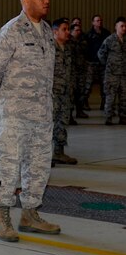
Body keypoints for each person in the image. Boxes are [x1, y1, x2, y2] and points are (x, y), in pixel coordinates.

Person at [0, 0, 60, 242]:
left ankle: (30, 214)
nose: (47, 0)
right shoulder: (12, 30)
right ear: (25, 1)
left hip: (41, 113)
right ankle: (1, 217)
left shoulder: (47, 31)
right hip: (15, 112)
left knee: (38, 164)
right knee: (10, 164)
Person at [51, 18, 77, 164]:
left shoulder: (67, 48)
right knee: (49, 123)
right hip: (53, 92)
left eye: (68, 29)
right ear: (55, 32)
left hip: (65, 92)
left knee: (63, 121)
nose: (68, 32)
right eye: (64, 29)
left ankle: (59, 152)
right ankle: (44, 155)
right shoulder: (49, 49)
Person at [97, 17, 126, 125]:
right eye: (121, 26)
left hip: (123, 75)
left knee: (124, 98)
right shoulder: (109, 40)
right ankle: (108, 118)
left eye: (125, 26)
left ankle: (123, 117)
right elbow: (100, 54)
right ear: (116, 27)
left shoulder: (125, 40)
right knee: (110, 97)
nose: (124, 28)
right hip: (112, 74)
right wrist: (108, 65)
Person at [83, 15, 110, 110]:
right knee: (88, 84)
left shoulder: (106, 33)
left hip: (103, 63)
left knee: (104, 84)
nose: (100, 22)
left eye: (101, 20)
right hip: (91, 62)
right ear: (93, 22)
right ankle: (85, 102)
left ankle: (104, 103)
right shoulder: (88, 35)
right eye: (97, 20)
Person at [69, 22, 88, 120]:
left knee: (81, 92)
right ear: (71, 31)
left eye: (79, 30)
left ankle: (80, 111)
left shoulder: (82, 41)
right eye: (76, 30)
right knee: (71, 93)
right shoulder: (68, 42)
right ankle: (70, 115)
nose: (78, 32)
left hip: (81, 71)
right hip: (72, 72)